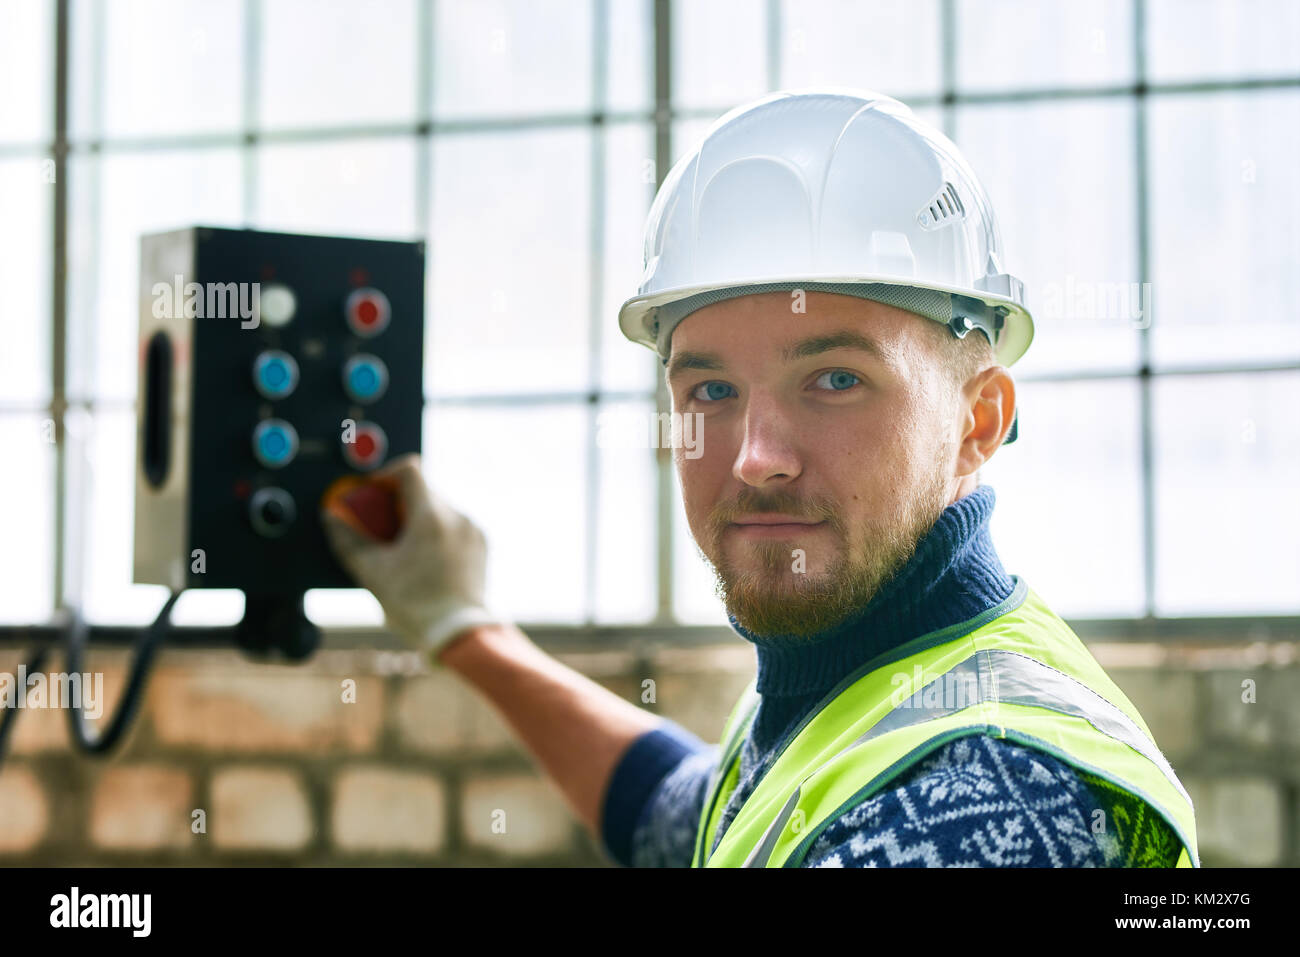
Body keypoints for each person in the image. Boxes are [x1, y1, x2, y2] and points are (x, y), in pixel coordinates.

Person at [323, 89, 1198, 868]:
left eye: (836, 380)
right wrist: (463, 626)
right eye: (711, 390)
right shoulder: (858, 684)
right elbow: (681, 813)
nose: (754, 455)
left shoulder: (1001, 804)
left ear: (976, 421)